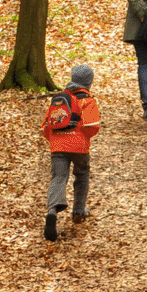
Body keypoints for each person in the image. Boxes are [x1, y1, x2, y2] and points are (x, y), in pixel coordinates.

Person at [43, 65, 102, 241]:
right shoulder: (88, 101)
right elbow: (93, 127)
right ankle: (78, 211)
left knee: (58, 178)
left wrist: (55, 141)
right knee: (82, 175)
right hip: (79, 147)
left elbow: (46, 127)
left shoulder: (59, 99)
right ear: (89, 82)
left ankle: (52, 210)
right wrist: (82, 137)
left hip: (57, 147)